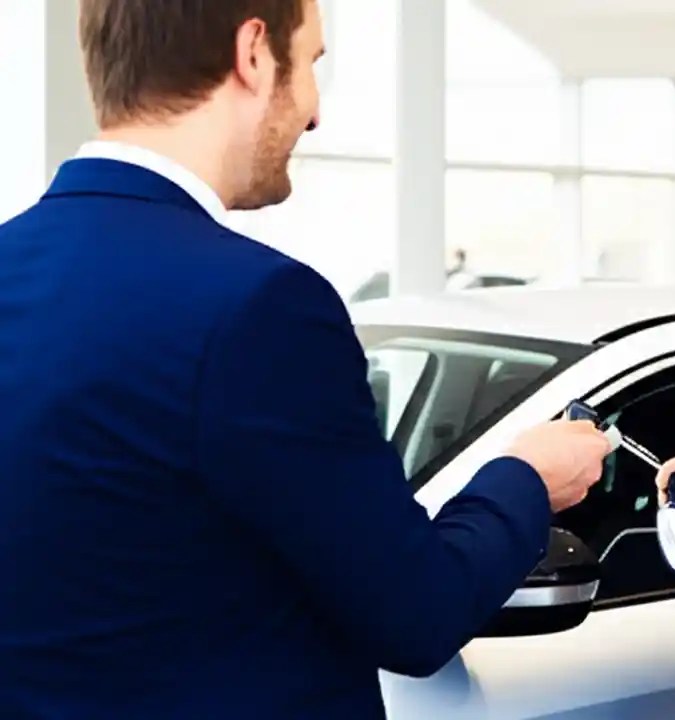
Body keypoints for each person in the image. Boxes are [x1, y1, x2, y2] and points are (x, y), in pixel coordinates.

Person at [0, 1, 611, 718]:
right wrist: (527, 478)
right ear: (254, 53)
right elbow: (417, 614)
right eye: (314, 63)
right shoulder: (260, 306)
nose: (315, 114)